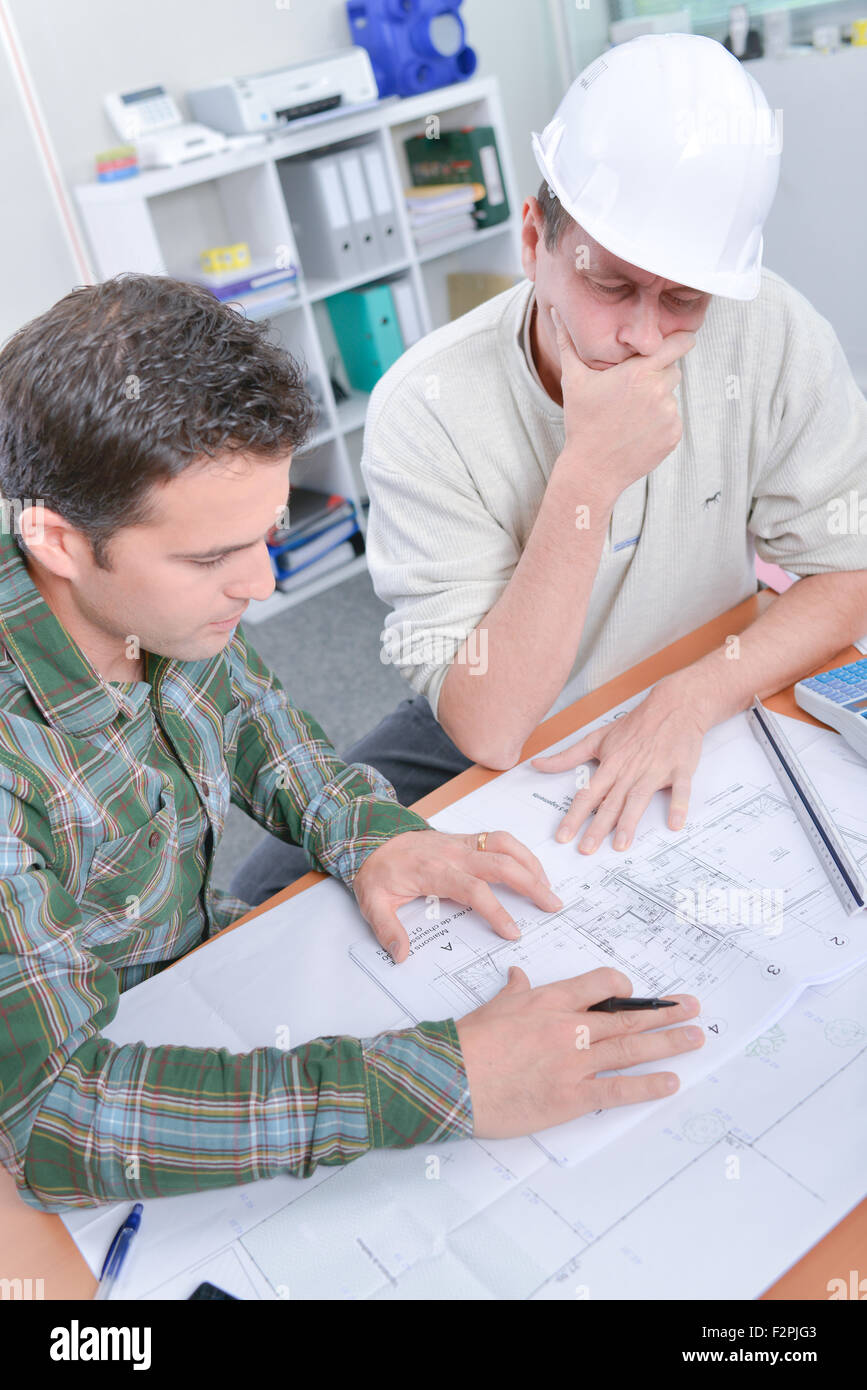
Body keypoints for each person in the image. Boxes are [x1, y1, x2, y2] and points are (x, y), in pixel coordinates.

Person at [0, 273, 703, 1212]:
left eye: (267, 533)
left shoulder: (161, 601)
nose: (261, 584)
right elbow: (52, 1122)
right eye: (213, 558)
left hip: (206, 974)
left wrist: (367, 833)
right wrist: (430, 1083)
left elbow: (255, 726)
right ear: (56, 540)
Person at [232, 32, 867, 906]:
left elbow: (849, 567)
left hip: (693, 653)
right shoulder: (425, 404)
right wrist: (586, 479)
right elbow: (489, 724)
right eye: (609, 286)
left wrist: (692, 694)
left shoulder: (770, 330)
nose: (644, 334)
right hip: (494, 690)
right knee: (265, 895)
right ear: (534, 240)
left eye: (682, 298)